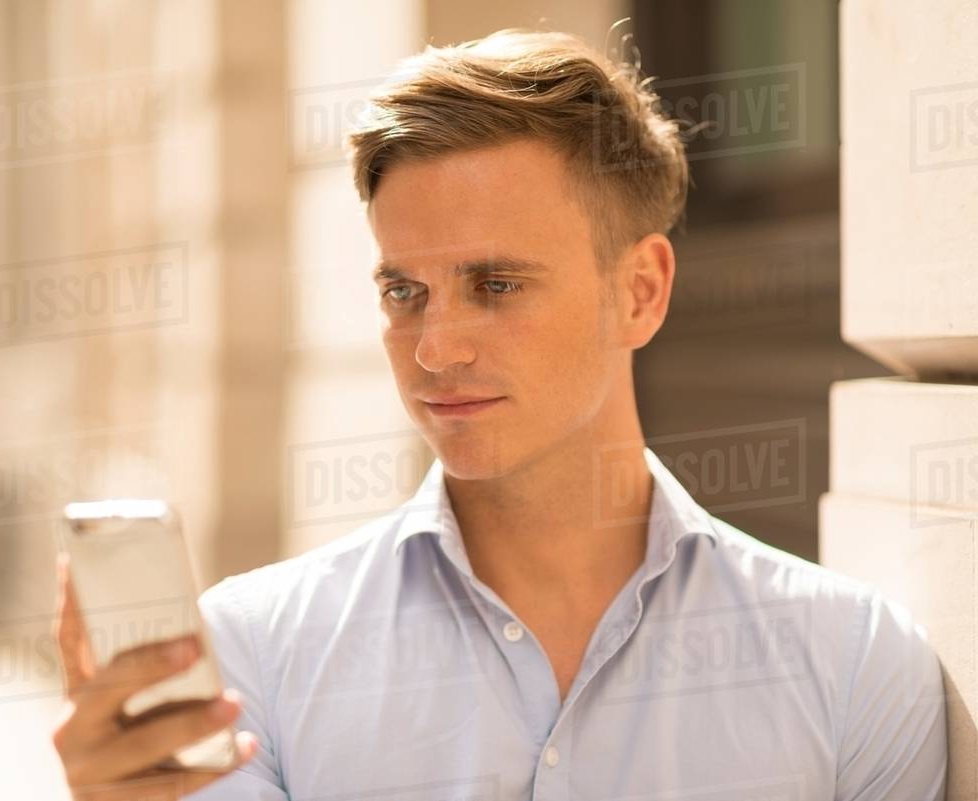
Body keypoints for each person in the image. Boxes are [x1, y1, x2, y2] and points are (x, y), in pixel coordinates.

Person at [51, 28, 947, 800]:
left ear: (640, 291)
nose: (435, 349)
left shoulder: (855, 667)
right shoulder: (253, 662)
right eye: (404, 291)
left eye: (496, 284)